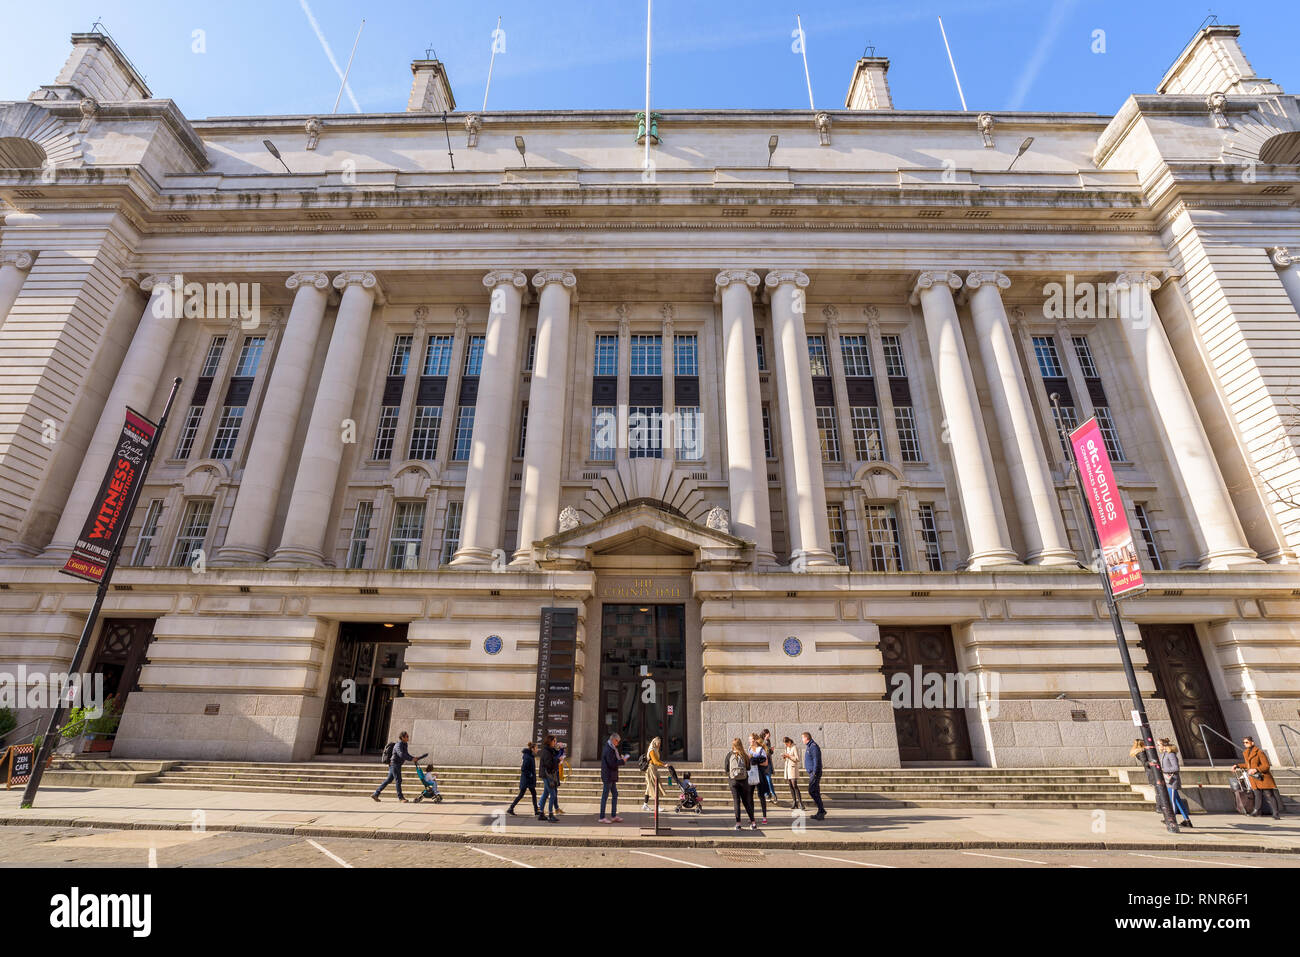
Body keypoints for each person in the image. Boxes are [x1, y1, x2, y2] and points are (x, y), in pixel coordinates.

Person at [1235, 735, 1284, 819]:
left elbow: (1266, 766)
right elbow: (1248, 765)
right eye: (1244, 743)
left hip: (1263, 777)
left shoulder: (1259, 752)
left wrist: (1256, 769)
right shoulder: (1245, 752)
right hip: (1254, 778)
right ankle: (1256, 811)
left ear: (1252, 742)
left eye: (1247, 742)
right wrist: (1237, 765)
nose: (1245, 744)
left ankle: (1276, 813)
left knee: (1269, 795)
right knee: (1257, 794)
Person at [372, 731, 425, 803]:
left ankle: (376, 794)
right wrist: (411, 759)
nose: (408, 738)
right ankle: (401, 798)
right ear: (402, 737)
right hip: (395, 764)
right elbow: (401, 754)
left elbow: (406, 754)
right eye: (407, 736)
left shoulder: (405, 744)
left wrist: (413, 758)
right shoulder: (398, 745)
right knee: (398, 780)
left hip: (397, 764)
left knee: (389, 780)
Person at [1158, 739, 1192, 828]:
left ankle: (1171, 819)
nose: (1158, 747)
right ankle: (1187, 821)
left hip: (1172, 781)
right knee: (1178, 801)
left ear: (1164, 745)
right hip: (1168, 781)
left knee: (1172, 801)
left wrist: (1163, 770)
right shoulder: (1164, 754)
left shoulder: (1171, 754)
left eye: (1159, 745)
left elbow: (1176, 768)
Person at [725, 737, 756, 830]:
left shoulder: (729, 755)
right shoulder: (745, 755)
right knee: (746, 802)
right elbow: (749, 768)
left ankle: (738, 824)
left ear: (733, 745)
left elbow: (726, 769)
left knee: (736, 801)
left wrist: (732, 775)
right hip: (744, 781)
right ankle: (753, 823)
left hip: (733, 781)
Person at [599, 732, 628, 823]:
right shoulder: (609, 749)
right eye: (617, 741)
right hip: (608, 776)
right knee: (605, 796)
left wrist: (620, 759)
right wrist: (622, 761)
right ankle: (602, 817)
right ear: (613, 740)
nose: (618, 743)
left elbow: (613, 761)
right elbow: (612, 764)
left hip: (611, 776)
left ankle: (613, 815)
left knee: (614, 794)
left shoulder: (611, 748)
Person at [507, 741, 538, 817]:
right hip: (527, 780)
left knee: (532, 794)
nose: (537, 749)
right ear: (532, 749)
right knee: (523, 794)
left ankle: (536, 810)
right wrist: (530, 775)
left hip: (528, 779)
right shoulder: (528, 757)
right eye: (536, 748)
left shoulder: (530, 756)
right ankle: (511, 808)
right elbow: (523, 768)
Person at [802, 731, 826, 819]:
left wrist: (815, 772)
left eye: (802, 738)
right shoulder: (809, 746)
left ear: (806, 738)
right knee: (816, 791)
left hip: (814, 773)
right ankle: (821, 811)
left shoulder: (813, 746)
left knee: (811, 791)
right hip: (812, 773)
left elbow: (816, 760)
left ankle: (821, 810)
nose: (802, 740)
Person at [748, 733, 771, 824]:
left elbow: (765, 763)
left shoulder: (760, 749)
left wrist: (755, 762)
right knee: (750, 796)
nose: (749, 741)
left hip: (759, 774)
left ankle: (764, 816)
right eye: (749, 740)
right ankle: (751, 817)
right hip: (751, 774)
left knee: (761, 796)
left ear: (755, 740)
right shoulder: (749, 749)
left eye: (751, 740)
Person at [538, 735, 562, 822]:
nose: (555, 742)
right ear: (550, 741)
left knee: (545, 794)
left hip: (547, 774)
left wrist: (560, 749)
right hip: (547, 775)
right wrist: (558, 761)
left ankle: (541, 813)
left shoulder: (550, 750)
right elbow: (549, 764)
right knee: (553, 795)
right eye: (554, 741)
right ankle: (550, 814)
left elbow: (557, 754)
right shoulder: (546, 751)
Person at [642, 736, 668, 810]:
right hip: (651, 769)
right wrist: (664, 765)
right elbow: (655, 761)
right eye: (658, 743)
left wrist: (664, 764)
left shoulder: (655, 749)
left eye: (660, 743)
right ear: (655, 742)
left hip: (653, 769)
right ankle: (657, 807)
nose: (659, 745)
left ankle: (645, 805)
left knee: (649, 788)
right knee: (655, 787)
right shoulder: (652, 750)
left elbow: (658, 761)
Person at [782, 736, 805, 810]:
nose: (786, 745)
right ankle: (794, 802)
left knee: (794, 785)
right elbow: (787, 759)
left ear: (789, 742)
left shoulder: (794, 747)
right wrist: (784, 757)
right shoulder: (787, 748)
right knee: (790, 786)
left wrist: (789, 756)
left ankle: (800, 802)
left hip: (793, 768)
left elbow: (797, 759)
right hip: (787, 768)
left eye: (786, 743)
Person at [761, 729, 779, 803]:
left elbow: (769, 753)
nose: (769, 735)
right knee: (766, 780)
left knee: (768, 779)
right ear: (765, 734)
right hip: (763, 763)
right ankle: (767, 794)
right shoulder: (761, 741)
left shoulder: (768, 741)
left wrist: (771, 750)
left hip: (768, 762)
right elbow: (762, 752)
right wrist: (768, 749)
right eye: (768, 733)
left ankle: (772, 794)